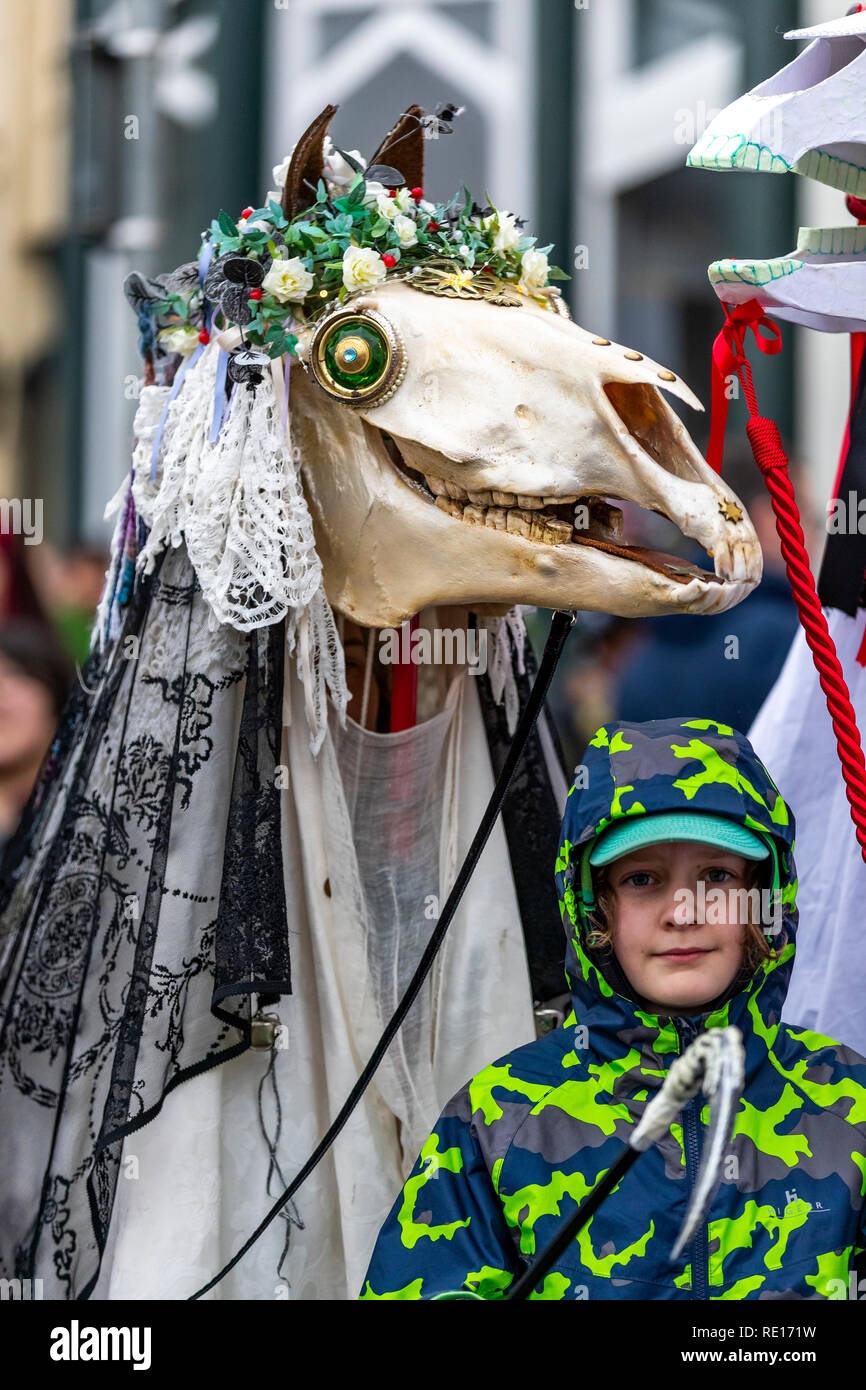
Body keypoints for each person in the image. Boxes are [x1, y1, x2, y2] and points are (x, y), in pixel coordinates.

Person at [360, 716, 866, 1300]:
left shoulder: (848, 1107)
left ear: (765, 897)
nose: (683, 912)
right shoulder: (500, 1118)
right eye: (644, 878)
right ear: (593, 907)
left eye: (717, 876)